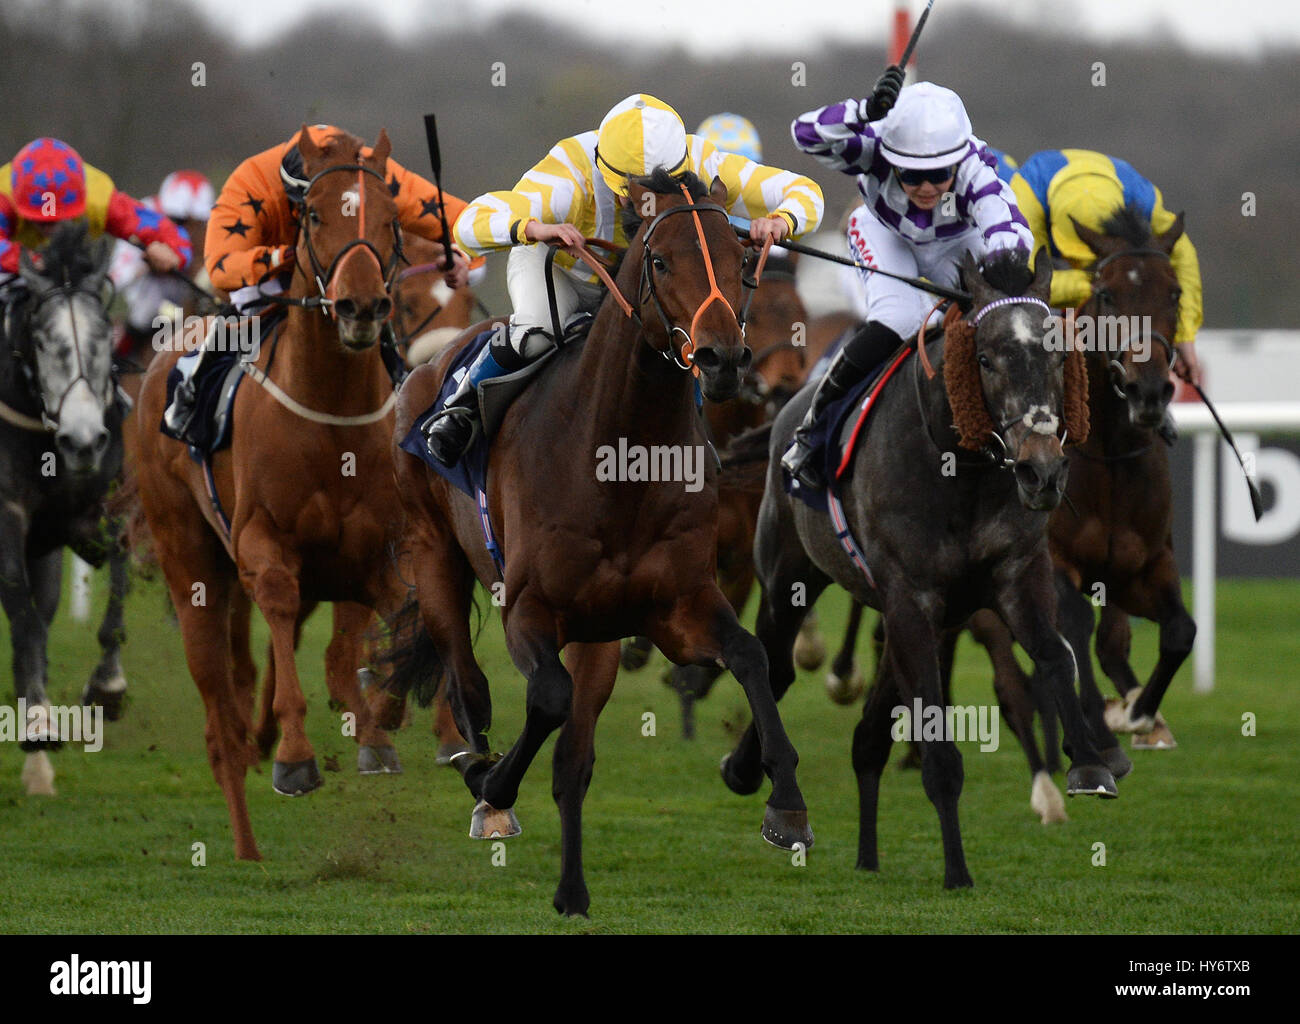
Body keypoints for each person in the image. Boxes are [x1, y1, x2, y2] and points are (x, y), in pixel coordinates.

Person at [424, 93, 825, 465]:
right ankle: (461, 411)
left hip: (647, 281)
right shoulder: (568, 173)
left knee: (688, 335)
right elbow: (472, 222)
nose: (640, 207)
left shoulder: (704, 162)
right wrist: (531, 228)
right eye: (631, 195)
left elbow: (803, 191)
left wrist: (780, 220)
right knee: (542, 329)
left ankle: (693, 437)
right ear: (605, 171)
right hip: (564, 270)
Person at [780, 71, 1033, 489]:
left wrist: (997, 271)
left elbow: (1009, 228)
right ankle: (813, 430)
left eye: (939, 174)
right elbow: (805, 133)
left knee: (1001, 317)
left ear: (959, 160)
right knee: (899, 318)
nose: (928, 187)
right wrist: (863, 112)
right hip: (885, 232)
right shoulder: (876, 148)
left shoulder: (976, 170)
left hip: (954, 243)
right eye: (912, 176)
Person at [163, 124, 475, 436]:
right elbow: (221, 268)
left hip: (345, 269)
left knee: (378, 309)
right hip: (273, 274)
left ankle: (412, 402)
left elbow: (469, 219)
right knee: (241, 319)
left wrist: (461, 254)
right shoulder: (252, 181)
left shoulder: (372, 173)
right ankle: (194, 385)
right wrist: (284, 258)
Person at [1009, 148, 1204, 390]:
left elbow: (1183, 252)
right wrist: (1094, 287)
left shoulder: (1142, 198)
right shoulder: (1025, 193)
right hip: (1038, 257)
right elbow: (1024, 279)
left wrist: (1185, 336)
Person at [0, 138, 190, 323]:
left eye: (60, 221)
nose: (51, 231)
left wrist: (175, 254)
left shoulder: (101, 200)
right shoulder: (4, 196)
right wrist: (30, 261)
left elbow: (172, 234)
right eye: (42, 223)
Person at [109, 169, 215, 358]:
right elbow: (115, 280)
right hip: (150, 305)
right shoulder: (142, 217)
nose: (189, 232)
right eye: (179, 221)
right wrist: (147, 267)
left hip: (192, 305)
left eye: (198, 223)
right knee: (148, 307)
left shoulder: (213, 231)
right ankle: (118, 363)